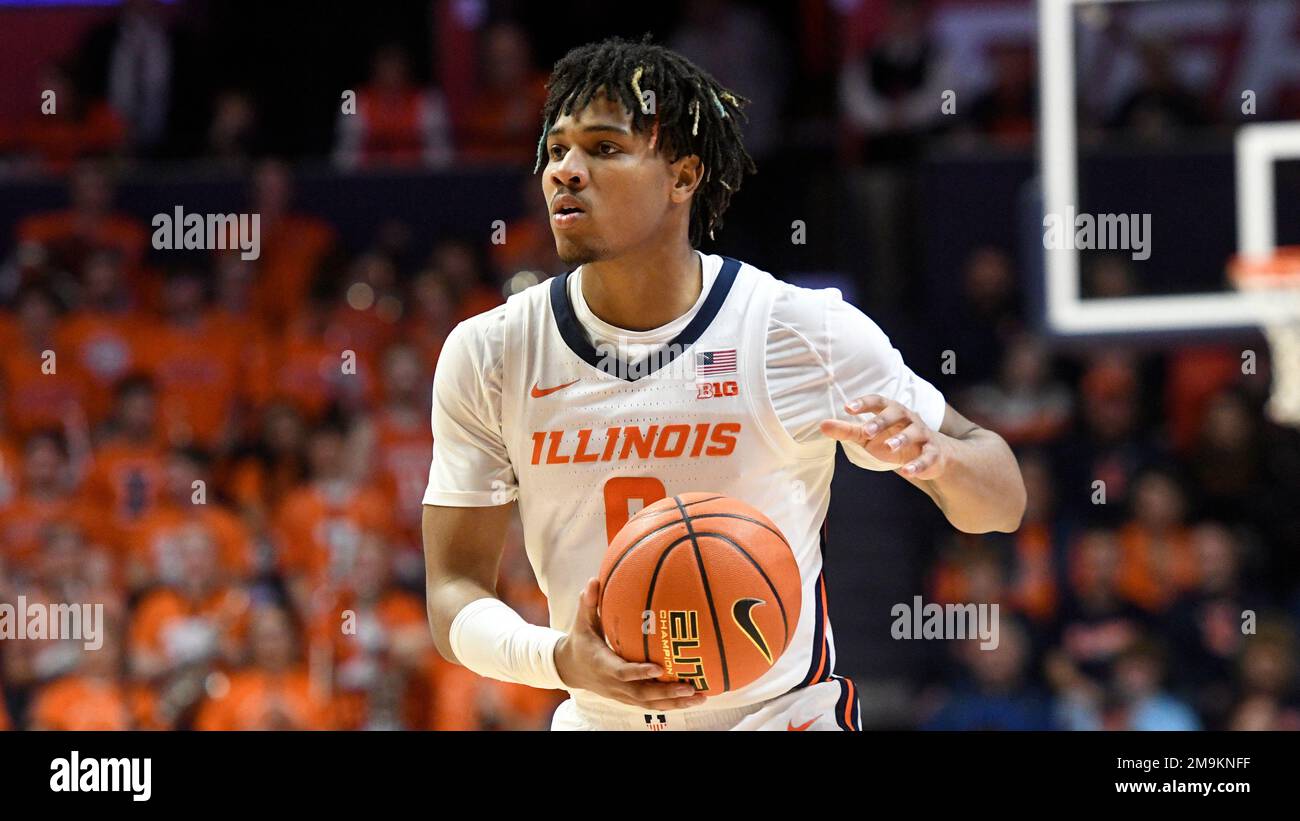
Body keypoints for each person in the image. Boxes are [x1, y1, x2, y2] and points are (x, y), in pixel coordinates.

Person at [421, 36, 1025, 732]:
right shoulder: (490, 352)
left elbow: (1001, 501)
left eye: (604, 149)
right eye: (556, 150)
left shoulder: (798, 331)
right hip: (599, 716)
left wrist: (941, 460)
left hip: (780, 717)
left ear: (682, 176)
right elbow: (452, 590)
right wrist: (559, 658)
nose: (566, 172)